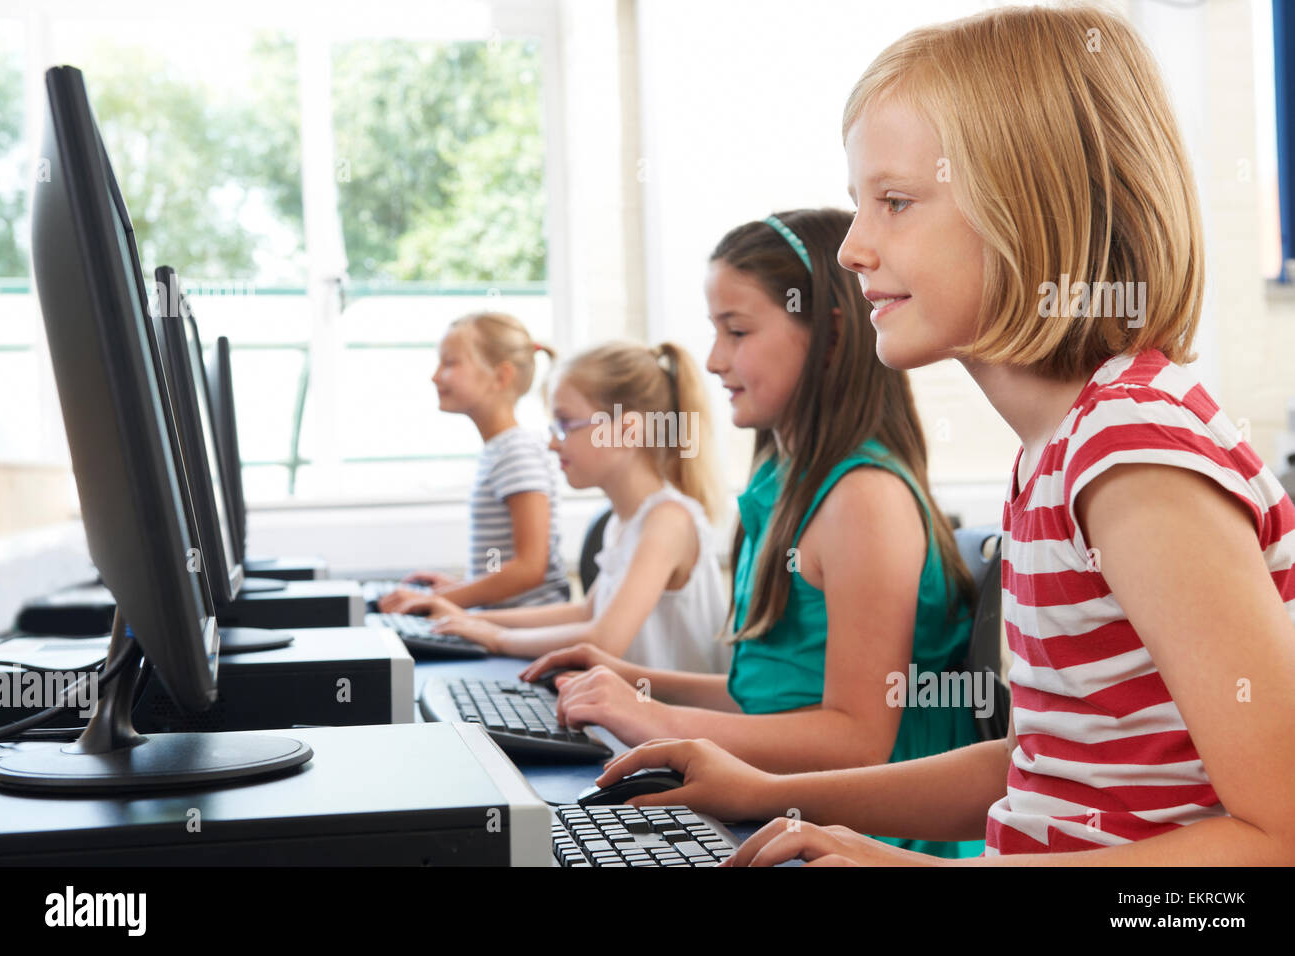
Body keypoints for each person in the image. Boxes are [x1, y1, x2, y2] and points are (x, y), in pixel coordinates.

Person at [598, 4, 1295, 866]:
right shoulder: (1056, 453)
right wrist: (767, 790)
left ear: (1034, 211)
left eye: (894, 202)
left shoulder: (1132, 454)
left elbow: (1277, 838)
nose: (851, 250)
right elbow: (1037, 768)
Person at [522, 208, 983, 858]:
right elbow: (772, 695)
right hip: (787, 802)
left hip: (859, 834)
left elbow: (856, 737)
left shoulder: (864, 499)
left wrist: (660, 719)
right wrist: (637, 680)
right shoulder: (784, 483)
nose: (713, 359)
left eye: (736, 331)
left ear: (829, 336)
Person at [414, 341, 730, 674]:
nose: (551, 442)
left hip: (675, 723)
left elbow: (605, 638)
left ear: (626, 430)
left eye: (565, 424)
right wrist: (469, 618)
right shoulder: (623, 521)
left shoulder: (668, 521)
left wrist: (497, 638)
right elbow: (586, 613)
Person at [380, 311, 570, 612]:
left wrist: (435, 600)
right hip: (500, 621)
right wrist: (460, 587)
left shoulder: (516, 452)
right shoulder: (501, 450)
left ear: (501, 376)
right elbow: (501, 564)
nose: (435, 375)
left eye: (450, 363)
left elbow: (530, 568)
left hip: (524, 628)